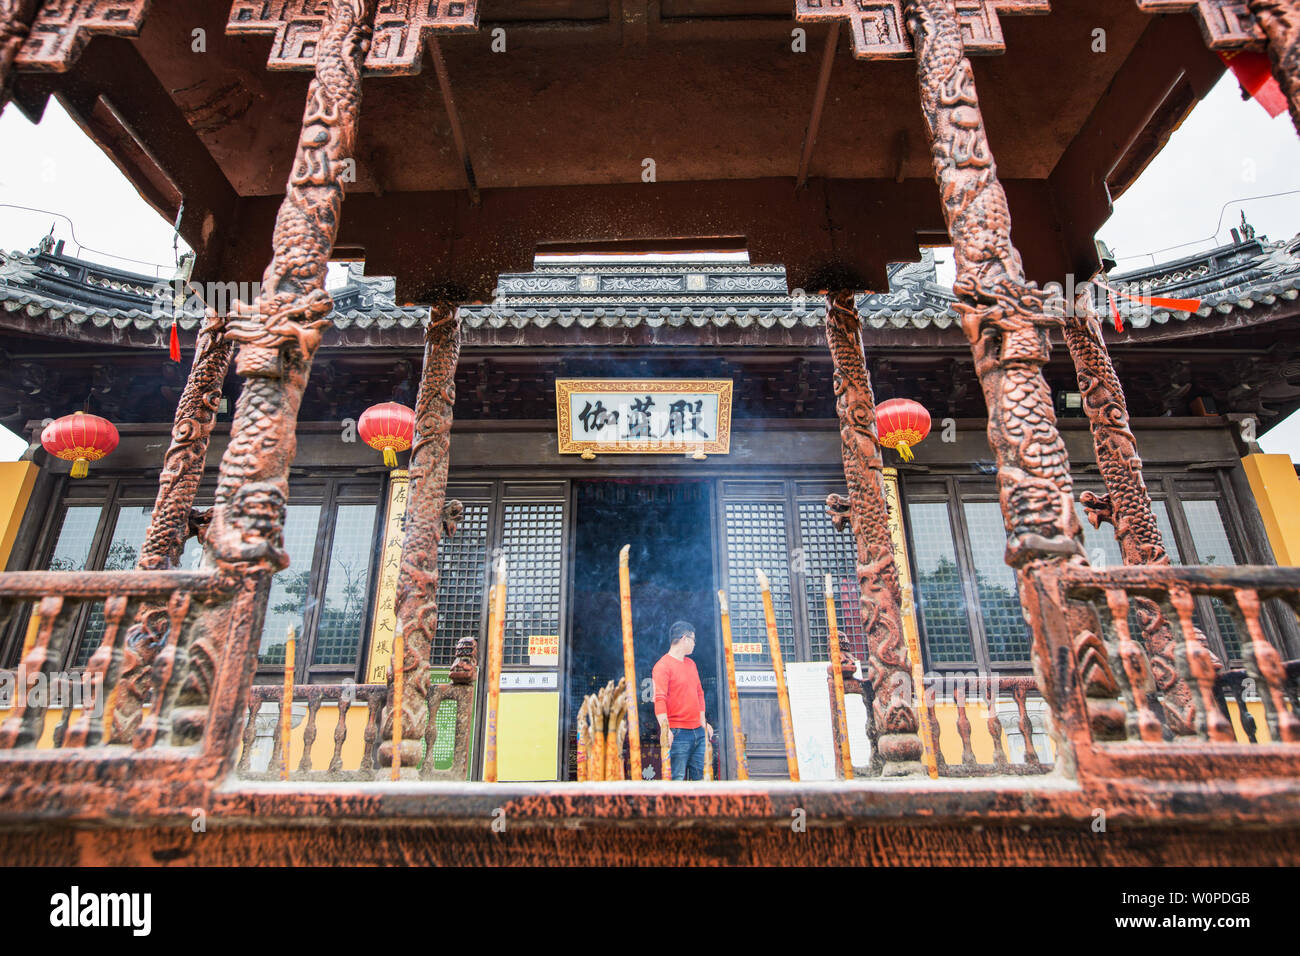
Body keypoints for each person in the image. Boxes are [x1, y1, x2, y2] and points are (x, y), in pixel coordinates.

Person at [652, 620, 713, 781]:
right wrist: (665, 729)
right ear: (685, 638)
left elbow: (699, 693)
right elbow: (659, 699)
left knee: (701, 779)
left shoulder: (691, 664)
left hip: (699, 733)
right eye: (693, 640)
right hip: (677, 732)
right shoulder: (662, 666)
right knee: (677, 780)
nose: (694, 644)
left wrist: (703, 722)